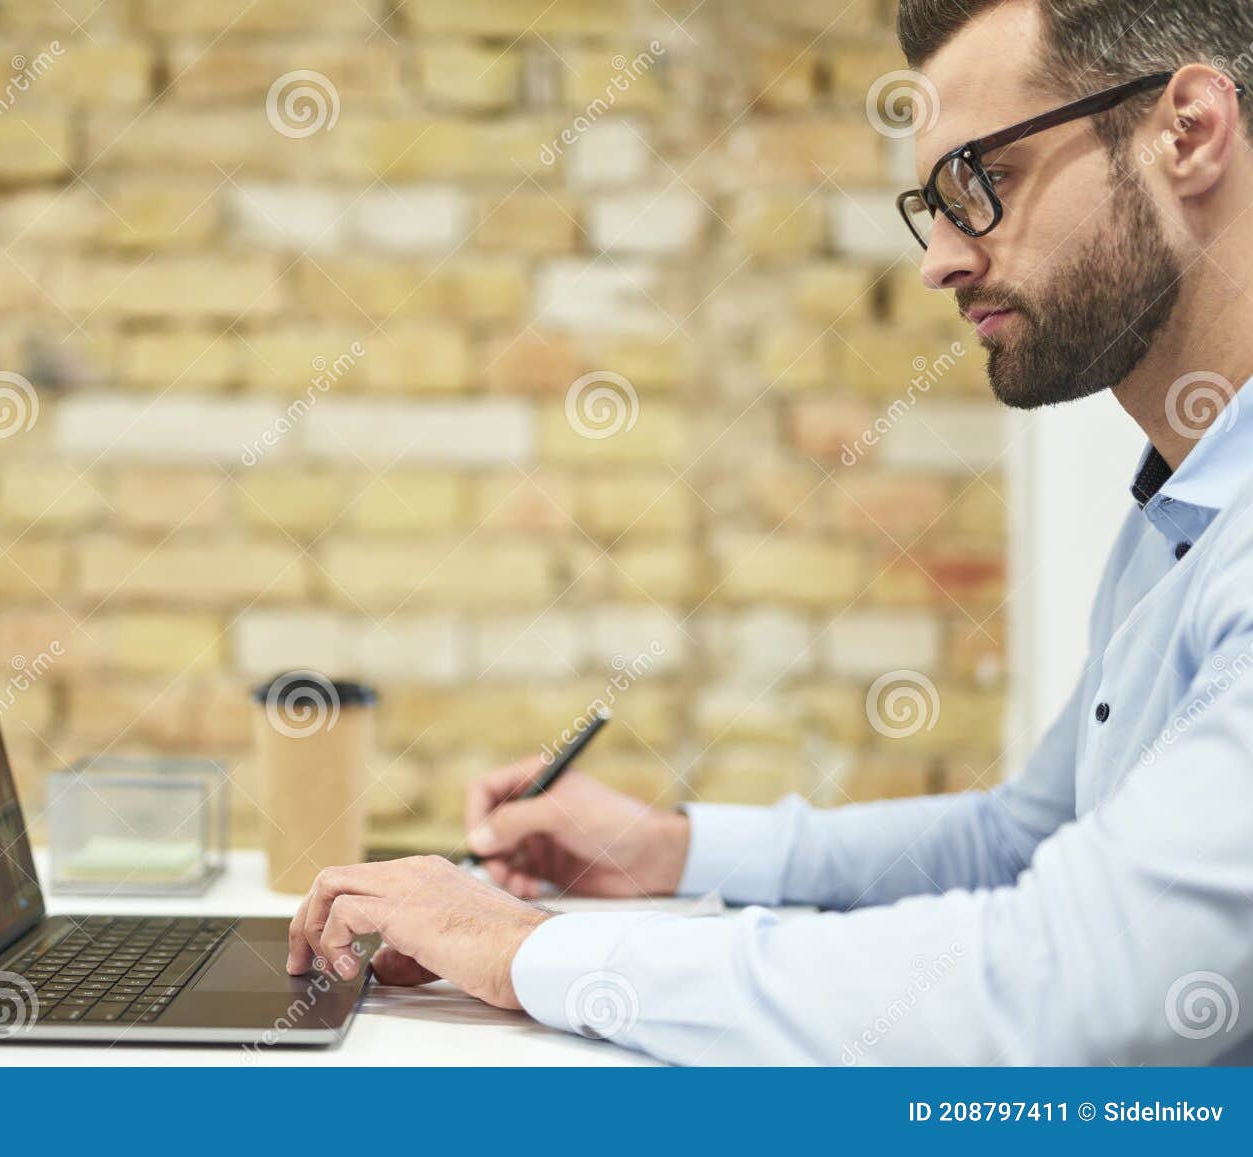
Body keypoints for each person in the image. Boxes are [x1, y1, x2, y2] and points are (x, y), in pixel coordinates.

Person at [286, 0, 1253, 1065]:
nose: (938, 260)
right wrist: (674, 848)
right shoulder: (1186, 508)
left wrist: (526, 950)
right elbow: (1026, 838)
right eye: (930, 205)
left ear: (1189, 131)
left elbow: (1070, 982)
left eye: (982, 183)